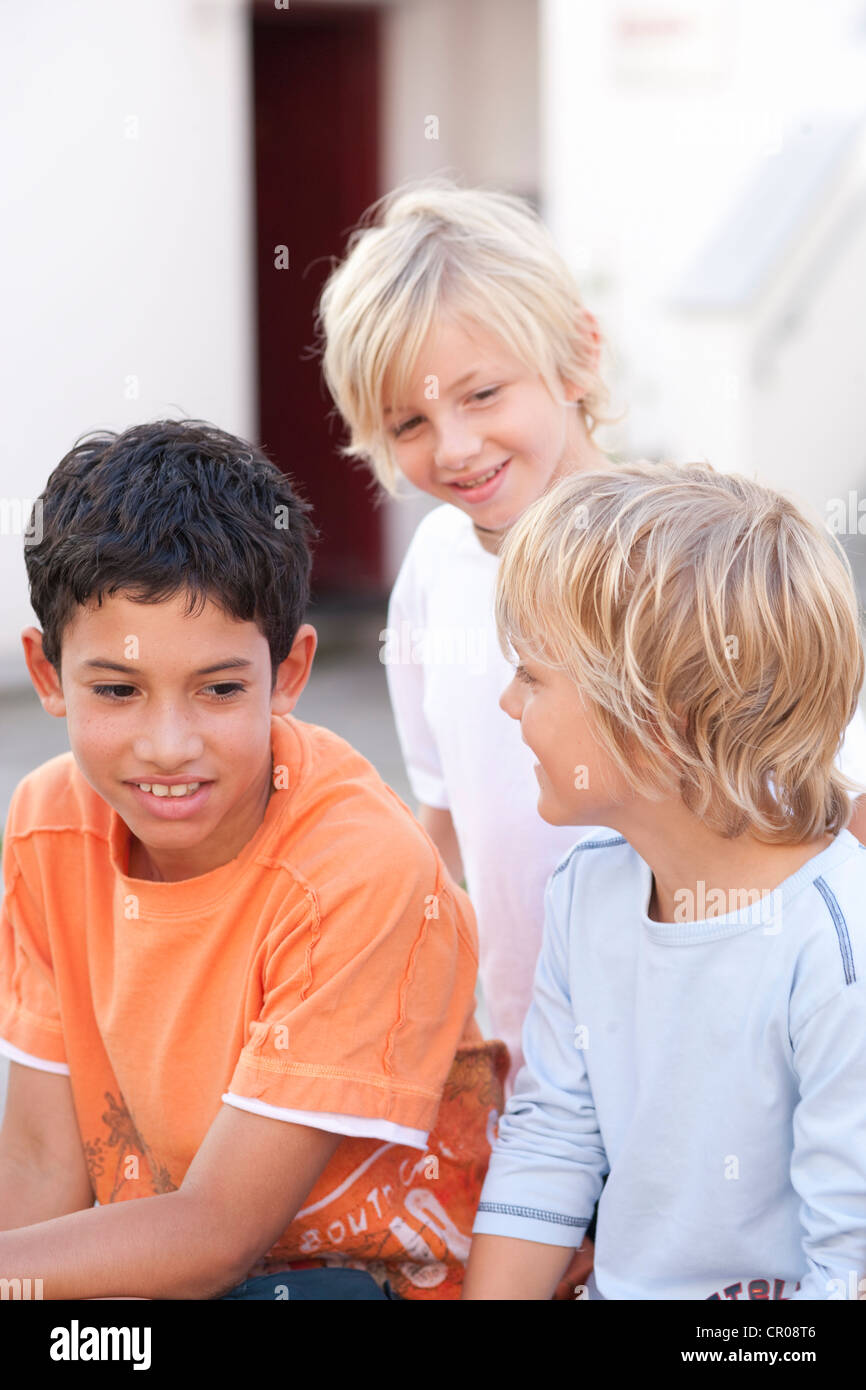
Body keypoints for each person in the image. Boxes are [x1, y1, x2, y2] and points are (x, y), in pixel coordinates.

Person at [317, 178, 866, 1095]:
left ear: (576, 360)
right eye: (409, 422)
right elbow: (444, 831)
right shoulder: (432, 579)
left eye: (483, 393)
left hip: (731, 1071)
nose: (452, 447)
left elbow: (835, 799)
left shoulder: (691, 562)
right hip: (543, 1080)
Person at [0, 419, 506, 1302]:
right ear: (48, 676)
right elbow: (43, 1162)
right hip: (159, 1270)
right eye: (117, 690)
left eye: (221, 688)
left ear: (290, 670)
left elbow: (216, 1239)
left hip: (367, 1284)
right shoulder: (50, 825)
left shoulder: (359, 871)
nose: (167, 745)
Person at [463, 460, 866, 1300]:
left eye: (533, 675)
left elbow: (849, 1265)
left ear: (654, 722)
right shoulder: (585, 890)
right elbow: (554, 1142)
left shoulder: (833, 945)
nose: (508, 703)